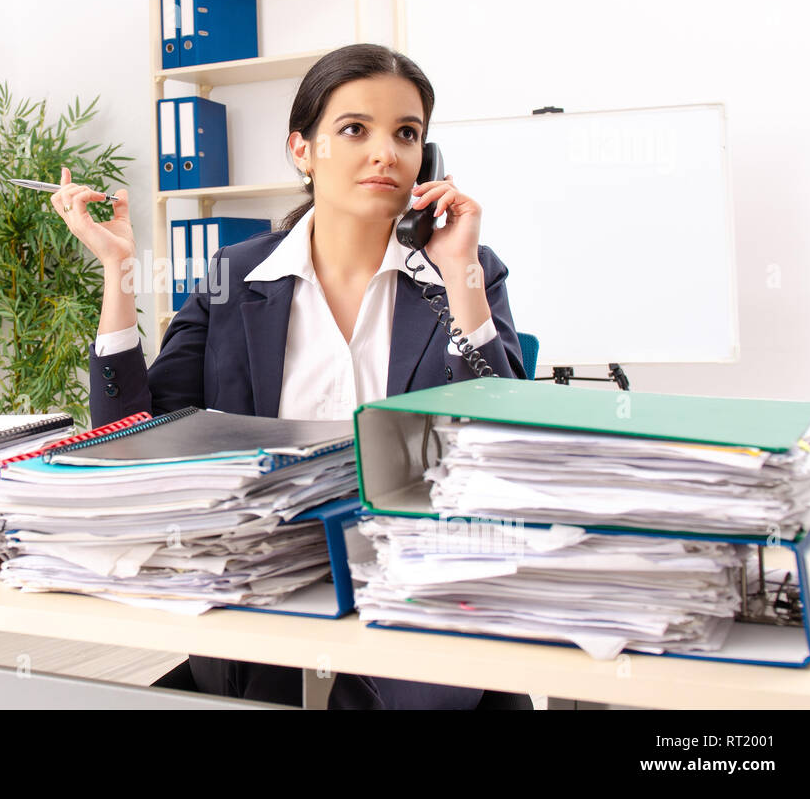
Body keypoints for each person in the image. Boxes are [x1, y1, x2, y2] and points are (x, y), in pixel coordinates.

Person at [50, 43, 529, 709]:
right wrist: (117, 274)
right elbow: (132, 436)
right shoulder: (234, 277)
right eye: (354, 130)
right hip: (261, 590)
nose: (386, 153)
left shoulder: (467, 271)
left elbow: (501, 445)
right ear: (302, 150)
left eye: (407, 134)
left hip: (416, 594)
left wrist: (461, 276)